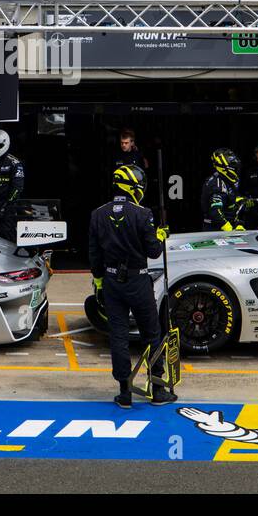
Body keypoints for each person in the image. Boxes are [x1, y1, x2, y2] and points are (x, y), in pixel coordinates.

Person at [89, 164, 172, 408]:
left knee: (119, 335)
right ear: (133, 187)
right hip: (138, 281)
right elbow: (154, 251)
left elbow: (94, 254)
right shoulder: (142, 214)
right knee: (151, 334)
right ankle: (157, 389)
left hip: (112, 281)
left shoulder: (98, 214)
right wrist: (160, 235)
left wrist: (100, 282)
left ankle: (124, 391)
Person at [201, 147, 245, 230]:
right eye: (234, 167)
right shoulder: (217, 184)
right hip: (215, 229)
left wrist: (237, 223)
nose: (236, 169)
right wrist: (230, 228)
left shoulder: (226, 181)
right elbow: (215, 212)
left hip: (225, 226)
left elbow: (229, 204)